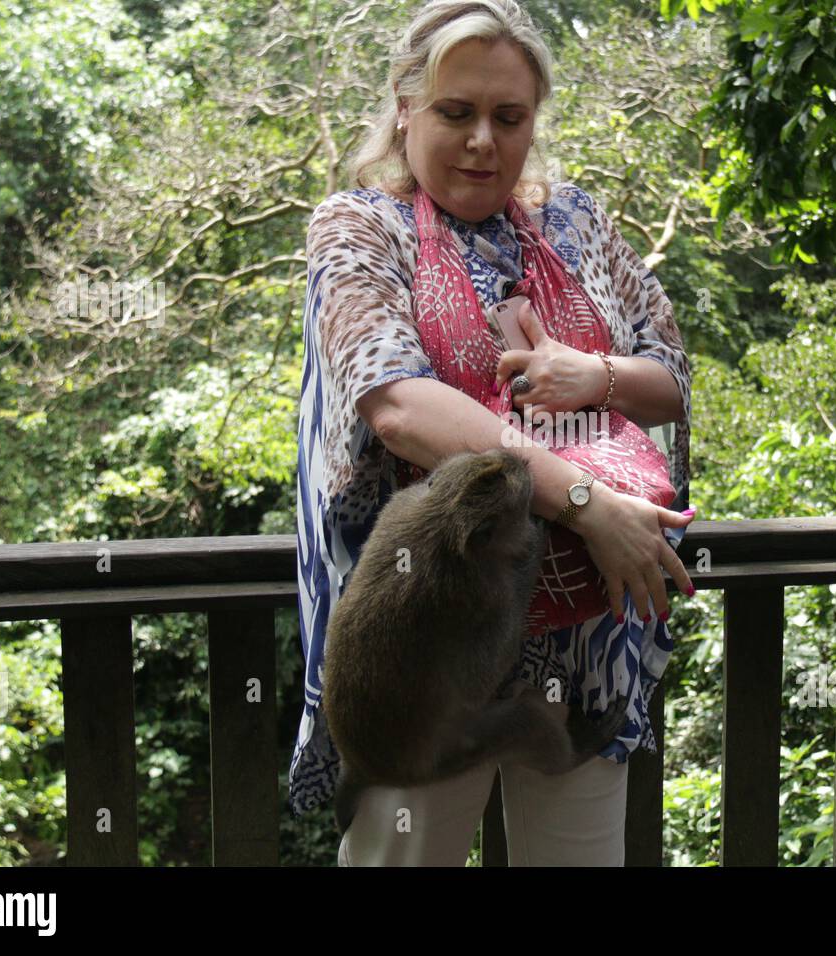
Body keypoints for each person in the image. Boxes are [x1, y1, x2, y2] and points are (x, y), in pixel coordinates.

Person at [291, 0, 696, 866]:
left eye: (508, 118)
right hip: (422, 644)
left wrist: (600, 376)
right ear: (405, 106)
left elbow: (671, 379)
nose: (483, 140)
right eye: (455, 112)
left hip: (588, 636)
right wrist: (586, 503)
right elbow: (398, 404)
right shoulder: (361, 229)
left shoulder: (577, 223)